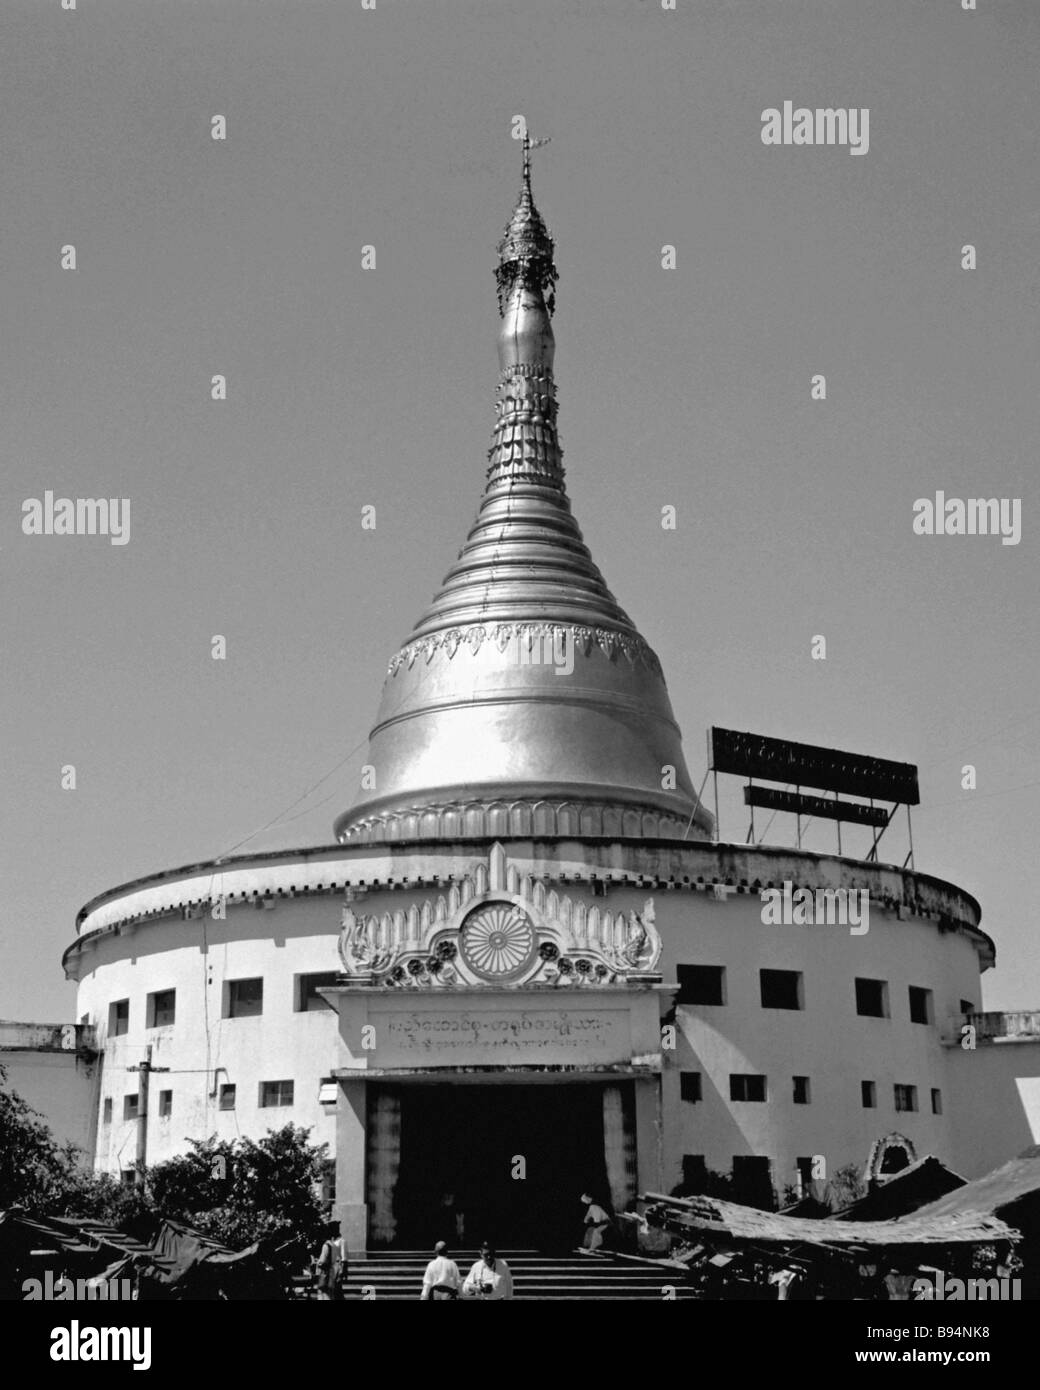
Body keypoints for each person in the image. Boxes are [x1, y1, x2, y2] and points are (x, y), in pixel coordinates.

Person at [314, 1221, 348, 1301]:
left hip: (331, 1272)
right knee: (334, 1293)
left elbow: (343, 1258)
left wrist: (317, 1263)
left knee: (329, 1293)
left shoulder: (331, 1244)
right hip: (332, 1271)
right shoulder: (333, 1244)